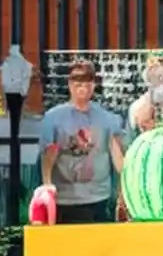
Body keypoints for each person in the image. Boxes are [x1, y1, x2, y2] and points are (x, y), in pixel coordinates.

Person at [39, 60, 126, 224]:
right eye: (77, 80)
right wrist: (47, 185)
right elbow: (49, 153)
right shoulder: (54, 118)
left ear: (94, 84)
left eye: (87, 81)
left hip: (99, 196)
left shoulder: (107, 118)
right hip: (65, 198)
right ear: (70, 84)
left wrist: (123, 192)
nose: (83, 86)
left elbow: (118, 157)